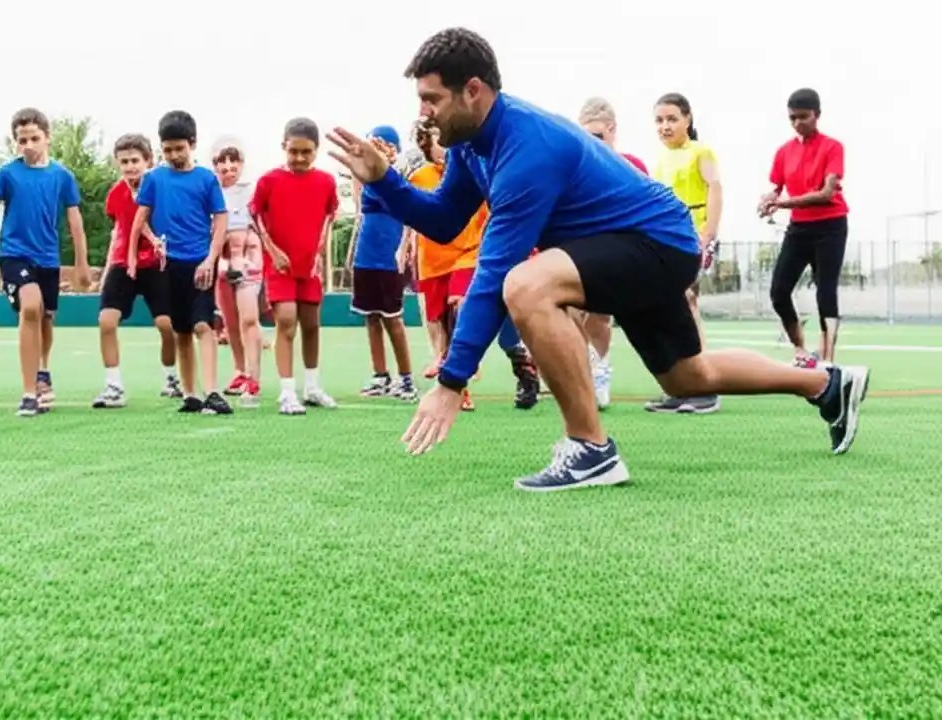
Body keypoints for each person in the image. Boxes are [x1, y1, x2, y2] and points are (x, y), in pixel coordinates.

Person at [326, 27, 869, 491]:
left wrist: (450, 381)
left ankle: (591, 448)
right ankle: (825, 383)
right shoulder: (473, 146)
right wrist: (384, 182)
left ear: (473, 91)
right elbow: (444, 220)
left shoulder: (525, 147)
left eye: (431, 98)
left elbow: (493, 275)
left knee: (525, 284)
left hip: (657, 242)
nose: (422, 111)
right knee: (687, 376)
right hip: (639, 247)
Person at [0, 107, 90, 417]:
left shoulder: (62, 176)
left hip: (48, 258)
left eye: (34, 138)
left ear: (47, 138)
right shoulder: (7, 174)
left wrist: (81, 263)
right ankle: (28, 392)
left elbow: (75, 222)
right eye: (21, 139)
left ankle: (43, 370)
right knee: (30, 306)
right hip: (15, 254)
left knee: (46, 316)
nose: (27, 145)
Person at [131, 110, 232, 415]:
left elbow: (221, 219)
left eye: (180, 148)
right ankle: (190, 394)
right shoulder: (154, 179)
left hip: (199, 264)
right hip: (168, 266)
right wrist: (153, 241)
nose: (174, 155)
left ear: (193, 144)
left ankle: (212, 391)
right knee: (182, 330)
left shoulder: (206, 179)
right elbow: (140, 220)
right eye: (168, 149)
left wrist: (211, 259)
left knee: (204, 325)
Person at [252, 117, 341, 415]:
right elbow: (255, 216)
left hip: (309, 267)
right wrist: (271, 249)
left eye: (307, 152)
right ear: (283, 147)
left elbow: (330, 216)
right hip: (280, 265)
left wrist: (320, 253)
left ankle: (312, 387)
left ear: (316, 150)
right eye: (294, 152)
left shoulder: (326, 182)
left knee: (312, 324)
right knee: (286, 321)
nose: (300, 158)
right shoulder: (269, 181)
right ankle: (287, 391)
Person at [759, 88, 849, 368]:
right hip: (799, 229)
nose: (798, 123)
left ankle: (829, 360)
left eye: (803, 117)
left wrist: (784, 204)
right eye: (792, 118)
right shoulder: (784, 152)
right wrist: (768, 199)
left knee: (825, 291)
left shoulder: (832, 147)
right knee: (778, 291)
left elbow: (825, 193)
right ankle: (801, 350)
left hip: (830, 226)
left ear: (817, 115)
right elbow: (775, 188)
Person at [648, 92, 723, 415]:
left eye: (672, 119)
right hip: (668, 238)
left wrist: (709, 233)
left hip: (694, 235)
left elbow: (715, 188)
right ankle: (682, 382)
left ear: (687, 120)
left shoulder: (700, 151)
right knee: (671, 306)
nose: (665, 126)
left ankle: (705, 385)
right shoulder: (661, 160)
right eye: (659, 120)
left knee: (688, 302)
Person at [93, 133, 179, 409]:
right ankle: (113, 385)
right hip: (123, 262)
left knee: (166, 325)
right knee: (107, 321)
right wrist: (107, 270)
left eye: (135, 161)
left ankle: (172, 376)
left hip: (155, 264)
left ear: (148, 161)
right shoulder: (117, 194)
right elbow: (118, 229)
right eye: (124, 162)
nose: (130, 167)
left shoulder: (162, 188)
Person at [407, 120, 485, 411]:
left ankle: (461, 359)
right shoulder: (420, 177)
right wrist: (405, 246)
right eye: (437, 139)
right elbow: (412, 214)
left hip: (467, 252)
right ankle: (456, 383)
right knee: (438, 319)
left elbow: (489, 209)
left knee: (458, 305)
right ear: (427, 143)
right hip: (432, 257)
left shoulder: (472, 172)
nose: (444, 146)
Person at [577, 97, 649, 409]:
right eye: (586, 136)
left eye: (598, 136)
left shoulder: (633, 166)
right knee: (567, 313)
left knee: (599, 315)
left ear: (612, 130)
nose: (593, 143)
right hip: (581, 248)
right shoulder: (577, 167)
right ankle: (580, 372)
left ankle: (600, 371)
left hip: (619, 250)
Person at [350, 126, 418, 401]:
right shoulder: (366, 179)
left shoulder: (400, 179)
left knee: (393, 319)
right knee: (371, 317)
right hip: (366, 255)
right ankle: (380, 375)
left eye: (383, 146)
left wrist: (404, 247)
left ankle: (406, 378)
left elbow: (412, 213)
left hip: (389, 256)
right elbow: (358, 199)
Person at [209, 136, 265, 407]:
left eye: (234, 161)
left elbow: (260, 224)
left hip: (247, 261)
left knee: (249, 319)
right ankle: (240, 371)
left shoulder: (251, 190)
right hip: (221, 261)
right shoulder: (209, 189)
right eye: (223, 162)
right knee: (230, 321)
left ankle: (254, 378)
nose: (228, 167)